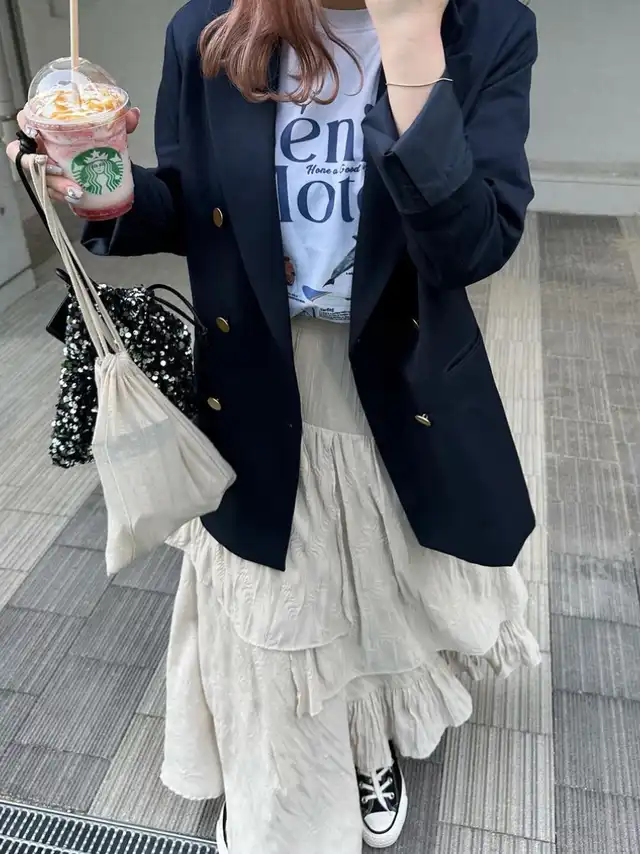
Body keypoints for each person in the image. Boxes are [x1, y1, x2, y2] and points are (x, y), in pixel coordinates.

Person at [7, 0, 540, 851]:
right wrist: (106, 191)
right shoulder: (209, 27)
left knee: (374, 585)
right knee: (278, 609)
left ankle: (365, 741)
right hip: (256, 363)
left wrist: (410, 45)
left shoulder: (486, 27)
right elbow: (190, 206)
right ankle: (269, 781)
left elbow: (470, 247)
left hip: (394, 372)